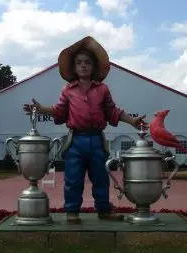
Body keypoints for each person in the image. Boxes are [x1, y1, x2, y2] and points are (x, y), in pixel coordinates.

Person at [24, 36, 149, 224]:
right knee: (73, 178)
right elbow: (59, 110)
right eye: (79, 63)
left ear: (94, 67)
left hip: (97, 140)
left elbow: (112, 111)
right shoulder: (68, 90)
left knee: (101, 177)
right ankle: (72, 211)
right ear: (74, 68)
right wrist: (41, 109)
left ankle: (104, 210)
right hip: (75, 141)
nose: (83, 66)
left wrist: (131, 120)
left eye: (87, 62)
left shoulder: (102, 89)